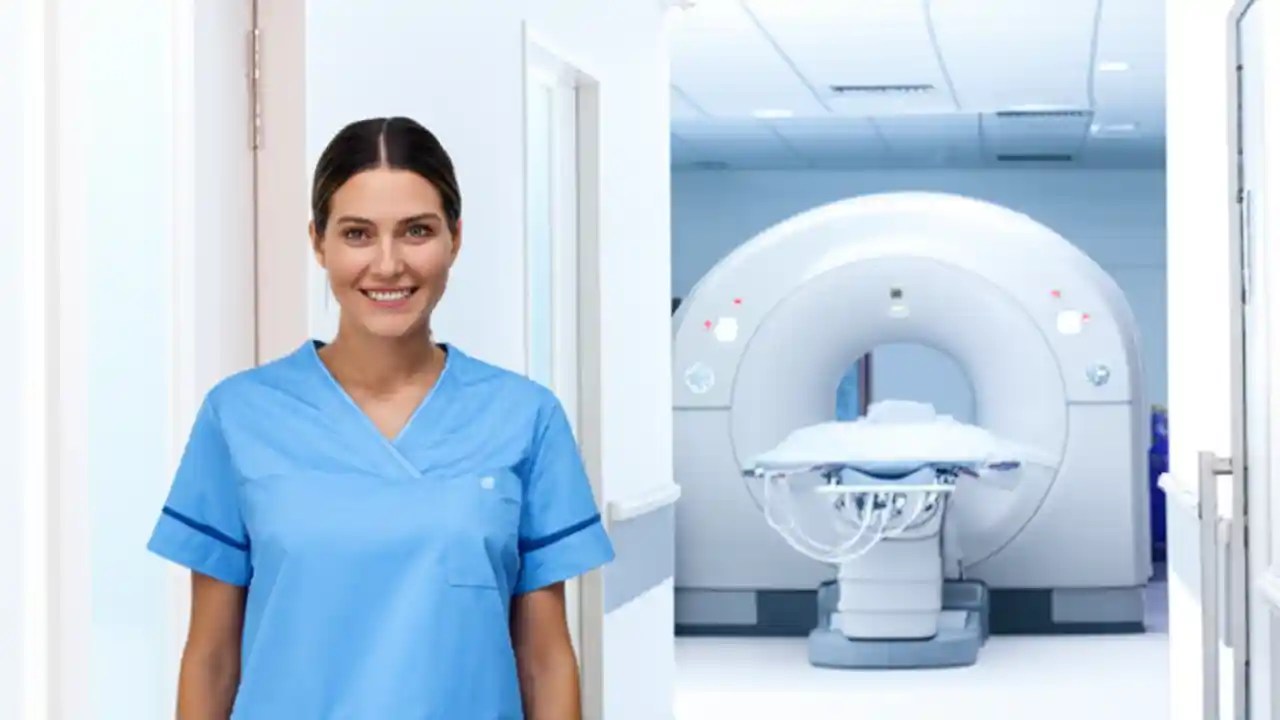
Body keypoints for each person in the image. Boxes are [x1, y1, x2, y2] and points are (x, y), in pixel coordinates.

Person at [146, 116, 615, 719]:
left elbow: (545, 659)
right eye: (358, 234)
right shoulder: (239, 416)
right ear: (318, 241)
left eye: (416, 231)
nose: (388, 264)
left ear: (456, 237)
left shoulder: (525, 418)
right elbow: (210, 657)